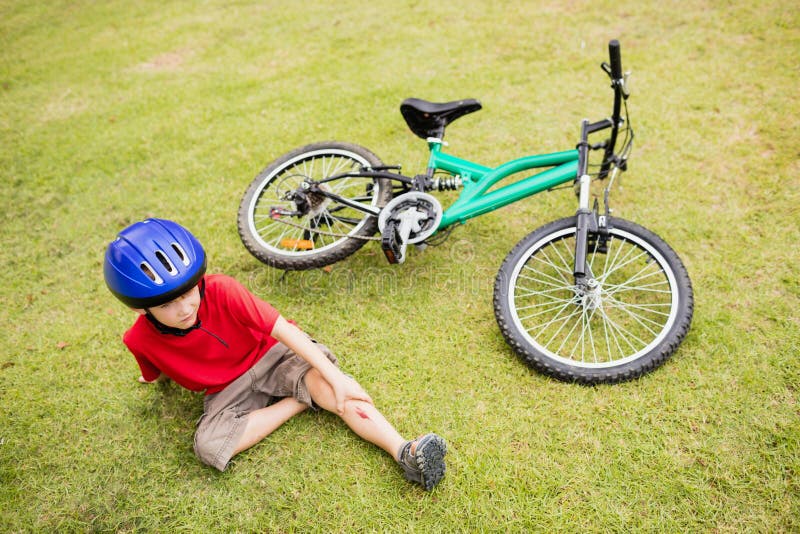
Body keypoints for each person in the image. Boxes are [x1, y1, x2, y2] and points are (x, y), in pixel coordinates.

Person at [103, 218, 446, 490]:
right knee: (208, 445)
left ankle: (406, 452)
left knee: (335, 390)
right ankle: (298, 402)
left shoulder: (222, 289)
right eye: (167, 304)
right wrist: (151, 377)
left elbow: (283, 330)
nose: (185, 307)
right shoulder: (138, 339)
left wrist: (335, 379)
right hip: (226, 390)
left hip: (275, 355)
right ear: (141, 308)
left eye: (189, 292)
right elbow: (151, 370)